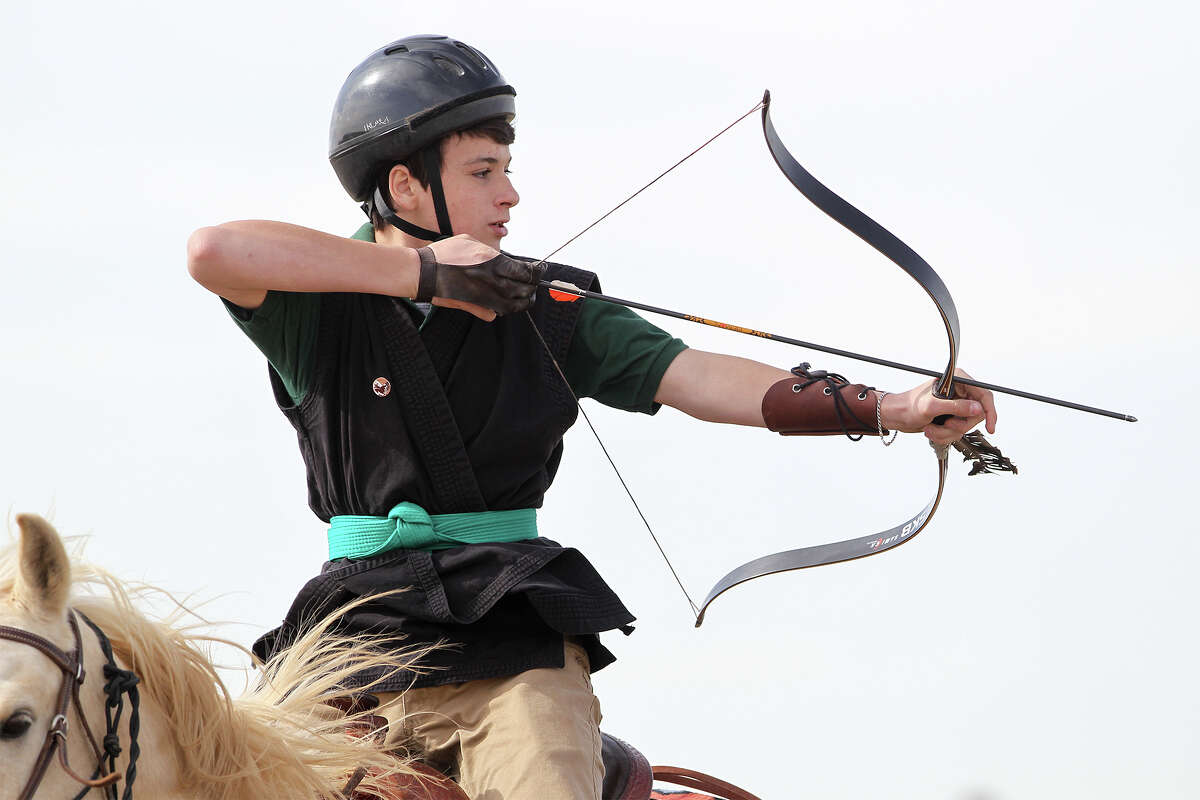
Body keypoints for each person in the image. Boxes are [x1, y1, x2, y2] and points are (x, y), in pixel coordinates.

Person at [187, 34, 997, 800]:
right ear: (406, 187)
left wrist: (890, 405)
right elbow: (214, 252)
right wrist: (421, 274)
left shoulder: (549, 304)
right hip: (344, 648)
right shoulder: (324, 303)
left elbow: (696, 375)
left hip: (510, 642)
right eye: (482, 172)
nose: (510, 193)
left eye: (505, 168)